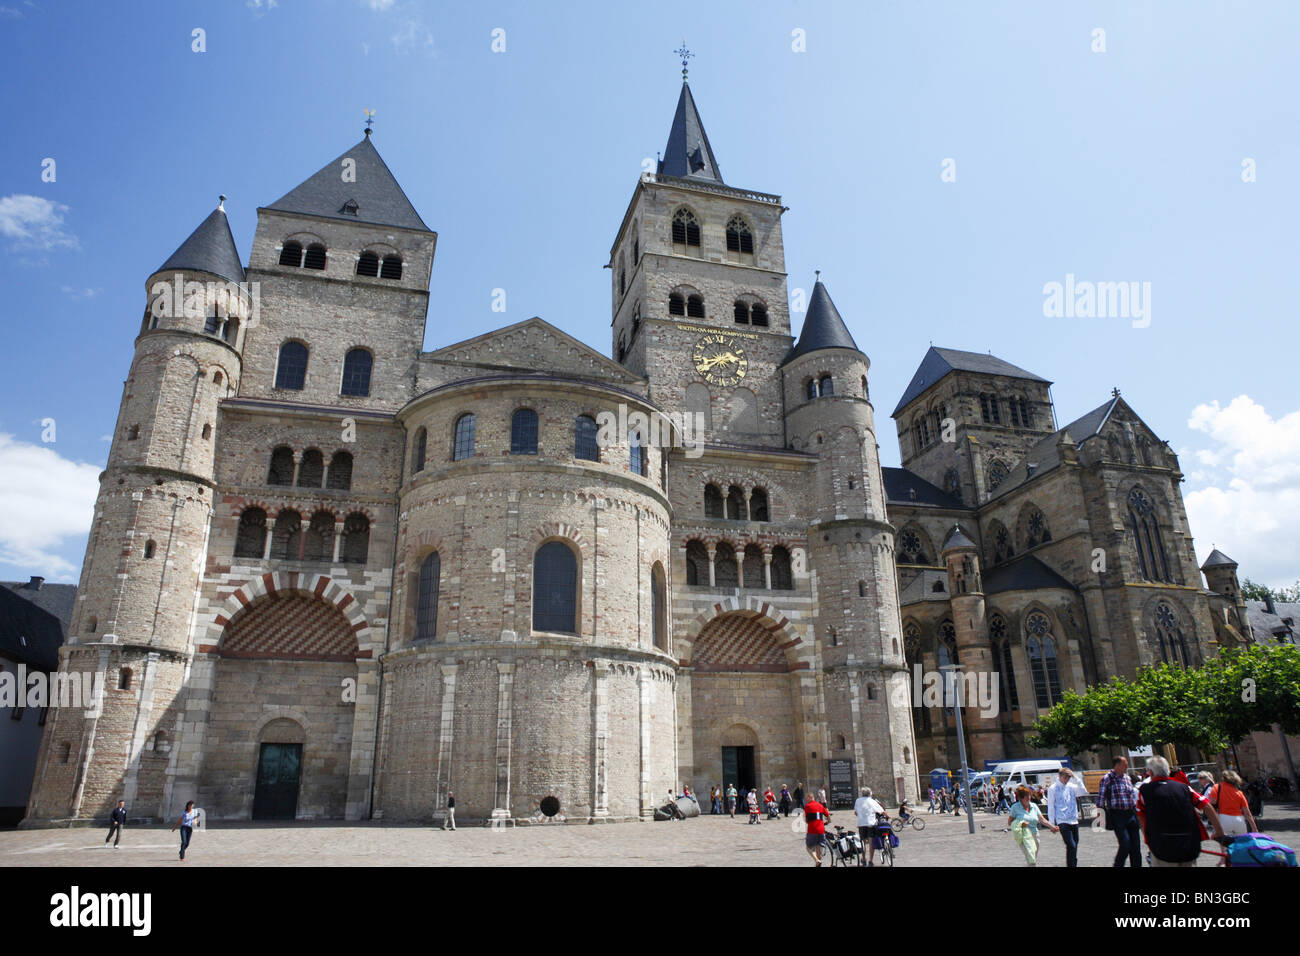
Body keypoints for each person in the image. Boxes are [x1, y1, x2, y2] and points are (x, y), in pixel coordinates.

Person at [1136, 755, 1226, 867]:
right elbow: (1206, 805)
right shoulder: (1184, 787)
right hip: (1188, 843)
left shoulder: (1144, 791)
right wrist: (1219, 831)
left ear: (1150, 772)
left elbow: (1140, 815)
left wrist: (1148, 838)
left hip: (1162, 846)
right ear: (1167, 771)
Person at [1098, 755, 1143, 867]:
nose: (1127, 766)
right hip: (1117, 815)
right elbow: (1100, 799)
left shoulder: (1127, 778)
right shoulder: (1107, 778)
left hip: (1131, 813)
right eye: (1125, 764)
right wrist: (1101, 818)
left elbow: (1132, 795)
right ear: (1117, 765)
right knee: (1125, 844)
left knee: (1136, 847)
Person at [1008, 785, 1058, 866]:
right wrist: (1021, 823)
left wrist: (1052, 827)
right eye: (1026, 795)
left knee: (1032, 858)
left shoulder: (1034, 806)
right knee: (1031, 859)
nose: (1029, 797)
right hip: (1024, 837)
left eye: (1029, 794)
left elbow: (1042, 820)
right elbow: (1010, 822)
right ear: (1021, 797)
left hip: (1035, 835)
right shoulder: (1015, 807)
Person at [1204, 769, 1257, 838]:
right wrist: (1254, 827)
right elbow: (1247, 813)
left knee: (1224, 843)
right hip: (1239, 820)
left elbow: (1212, 801)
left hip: (1224, 818)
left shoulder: (1217, 787)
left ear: (1223, 778)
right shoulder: (1239, 792)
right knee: (1241, 844)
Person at [1046, 768, 1081, 867]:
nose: (1067, 779)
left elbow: (1083, 791)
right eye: (1065, 777)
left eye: (1069, 777)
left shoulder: (1071, 786)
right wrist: (1052, 824)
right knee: (1071, 845)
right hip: (1062, 821)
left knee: (1074, 845)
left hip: (1074, 820)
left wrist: (1076, 777)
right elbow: (1051, 806)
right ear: (1060, 776)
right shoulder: (1053, 788)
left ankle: (1072, 864)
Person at [853, 787, 885, 866]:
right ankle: (870, 860)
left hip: (861, 824)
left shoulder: (858, 800)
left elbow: (856, 812)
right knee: (871, 842)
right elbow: (881, 811)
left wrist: (861, 815)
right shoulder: (872, 801)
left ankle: (863, 859)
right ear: (870, 794)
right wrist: (889, 816)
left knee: (863, 842)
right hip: (871, 823)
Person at [802, 793, 831, 866]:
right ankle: (818, 863)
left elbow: (806, 820)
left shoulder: (807, 806)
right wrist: (827, 821)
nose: (806, 800)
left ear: (810, 797)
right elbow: (828, 815)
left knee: (808, 847)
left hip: (812, 829)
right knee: (819, 848)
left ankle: (816, 860)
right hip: (821, 830)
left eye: (806, 798)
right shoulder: (820, 805)